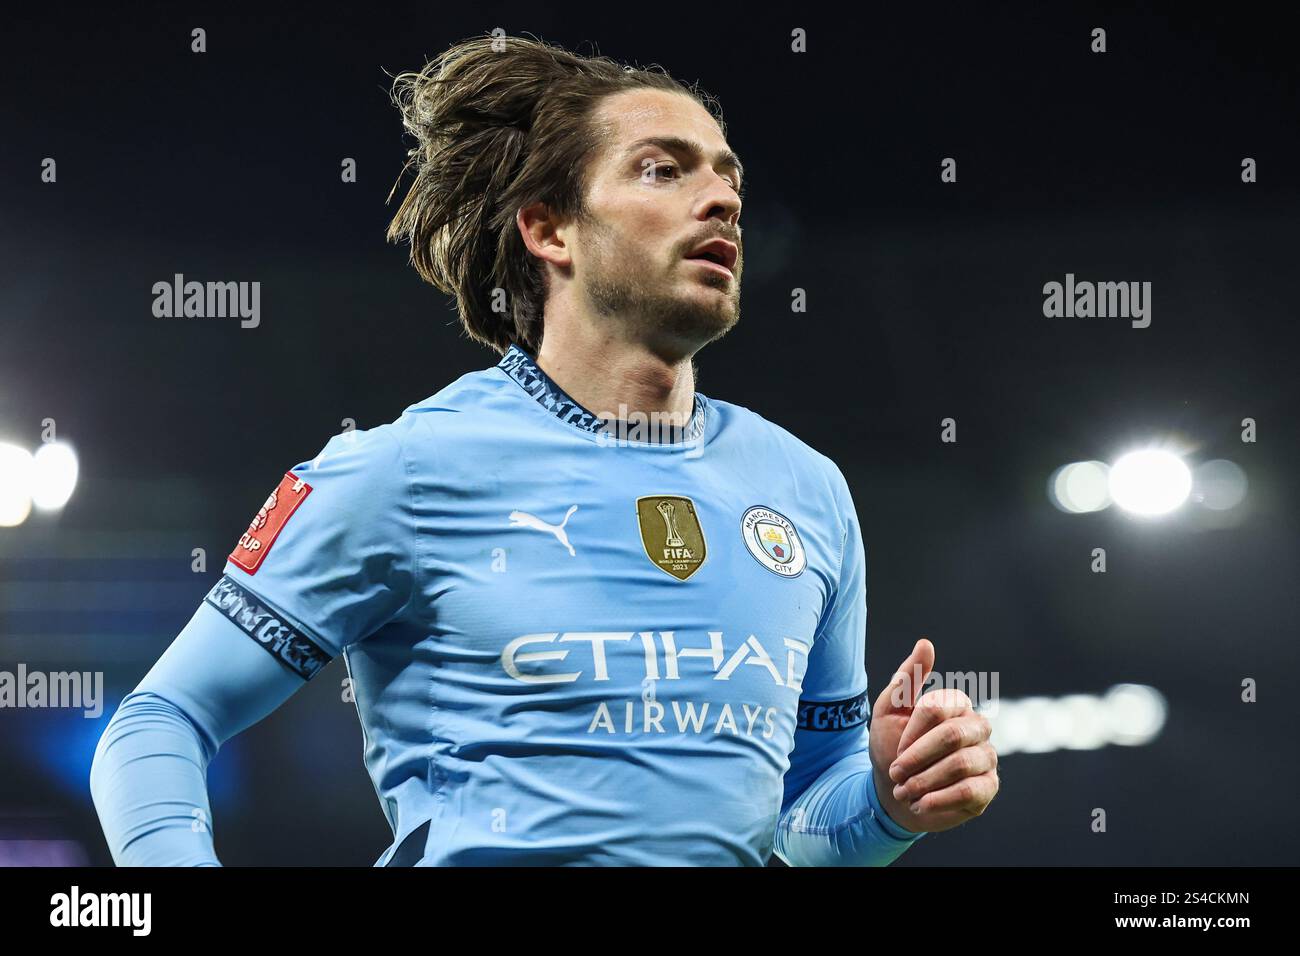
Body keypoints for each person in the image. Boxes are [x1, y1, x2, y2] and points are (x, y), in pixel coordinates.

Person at [90, 34, 997, 866]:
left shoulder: (806, 490)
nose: (721, 197)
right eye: (661, 169)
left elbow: (804, 829)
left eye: (728, 178)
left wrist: (886, 798)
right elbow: (162, 720)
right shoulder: (401, 472)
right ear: (548, 229)